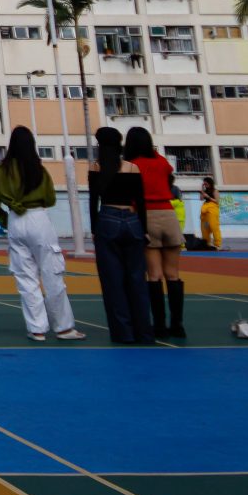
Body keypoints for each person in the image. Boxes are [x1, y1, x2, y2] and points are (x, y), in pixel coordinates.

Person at [0, 125, 85, 341]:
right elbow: (50, 198)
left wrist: (6, 219)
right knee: (52, 274)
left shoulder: (2, 170)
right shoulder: (38, 168)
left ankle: (37, 329)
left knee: (25, 278)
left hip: (15, 221)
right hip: (38, 219)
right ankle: (63, 328)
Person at [88, 126, 152, 344]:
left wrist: (95, 229)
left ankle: (123, 333)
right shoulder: (132, 168)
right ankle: (144, 331)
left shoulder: (96, 168)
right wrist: (144, 229)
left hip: (107, 219)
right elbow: (141, 201)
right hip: (132, 220)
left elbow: (92, 202)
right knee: (137, 279)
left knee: (112, 282)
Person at [123, 126, 185, 339]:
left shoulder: (132, 165)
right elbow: (168, 171)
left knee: (154, 275)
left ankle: (159, 326)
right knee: (173, 275)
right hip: (168, 215)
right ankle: (177, 325)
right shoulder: (160, 162)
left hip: (146, 216)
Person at [196, 177, 222, 251]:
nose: (205, 185)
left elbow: (217, 201)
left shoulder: (215, 191)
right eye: (204, 183)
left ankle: (217, 244)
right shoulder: (205, 190)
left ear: (210, 183)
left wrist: (208, 197)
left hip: (212, 210)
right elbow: (201, 199)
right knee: (205, 228)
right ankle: (207, 243)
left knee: (214, 227)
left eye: (206, 183)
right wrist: (202, 190)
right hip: (205, 211)